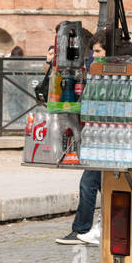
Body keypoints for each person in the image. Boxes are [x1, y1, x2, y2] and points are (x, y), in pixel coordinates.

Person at [57, 31, 107, 245]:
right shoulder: (95, 72)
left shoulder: (106, 76)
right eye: (93, 51)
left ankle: (81, 229)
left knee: (89, 183)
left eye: (98, 51)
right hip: (100, 137)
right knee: (101, 184)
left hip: (106, 138)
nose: (94, 56)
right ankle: (97, 227)